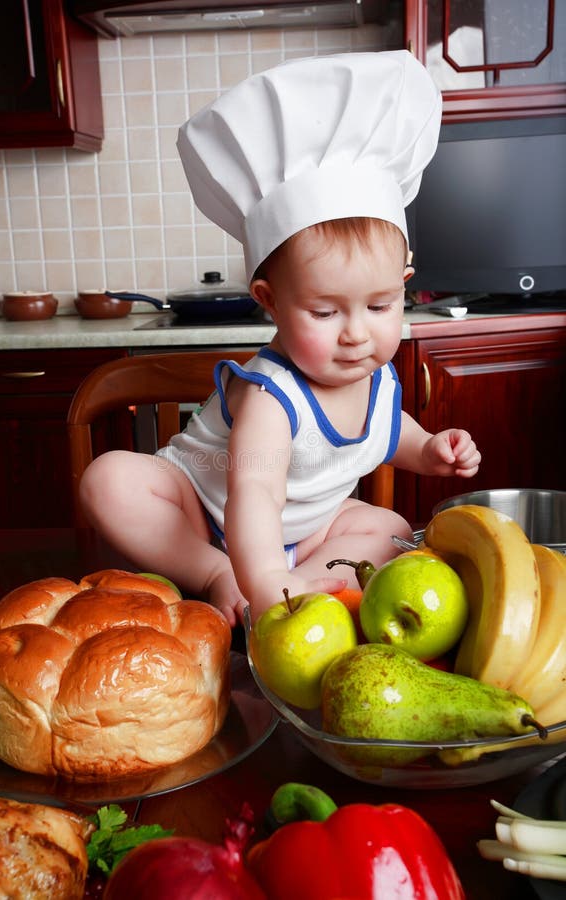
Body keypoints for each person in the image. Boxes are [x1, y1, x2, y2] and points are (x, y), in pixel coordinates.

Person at [80, 51, 481, 626]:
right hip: (201, 515)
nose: (357, 334)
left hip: (305, 536)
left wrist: (431, 451)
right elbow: (257, 496)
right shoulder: (272, 398)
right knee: (110, 481)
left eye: (380, 305)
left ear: (404, 288)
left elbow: (389, 434)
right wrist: (257, 577)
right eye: (324, 312)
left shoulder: (377, 376)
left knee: (391, 530)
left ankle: (309, 585)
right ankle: (218, 575)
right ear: (269, 301)